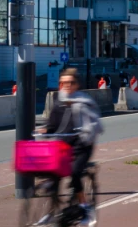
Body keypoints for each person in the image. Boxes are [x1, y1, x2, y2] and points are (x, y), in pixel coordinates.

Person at [40, 68, 103, 218]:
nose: (67, 85)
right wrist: (44, 130)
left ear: (77, 85)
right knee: (52, 172)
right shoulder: (58, 102)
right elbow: (52, 125)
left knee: (75, 173)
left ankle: (84, 206)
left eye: (71, 82)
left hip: (82, 145)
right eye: (63, 83)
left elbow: (95, 124)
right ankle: (51, 211)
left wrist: (86, 132)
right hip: (62, 147)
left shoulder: (84, 102)